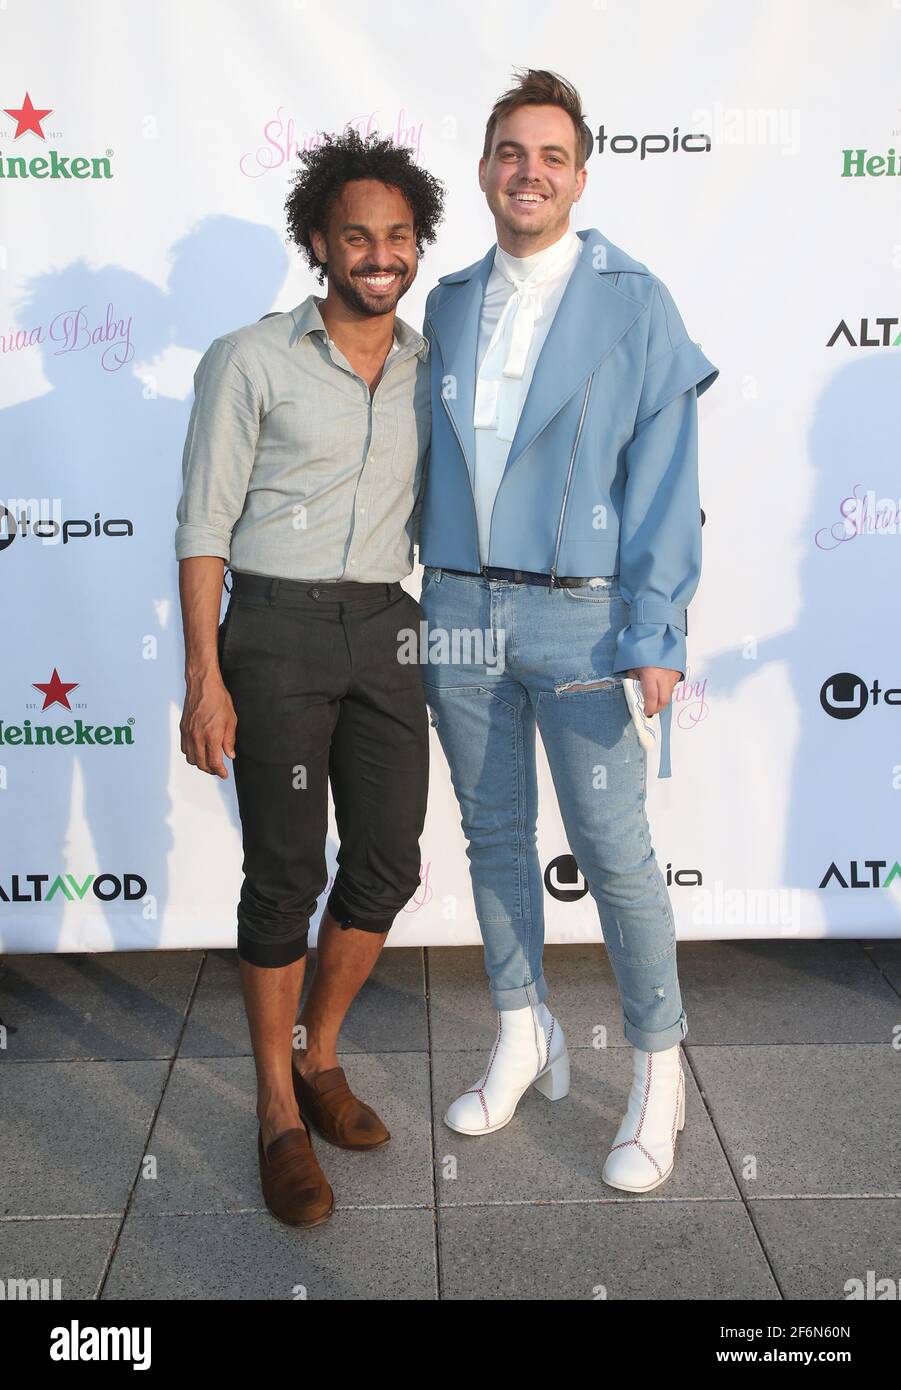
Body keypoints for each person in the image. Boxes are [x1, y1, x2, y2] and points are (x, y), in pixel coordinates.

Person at [418, 69, 718, 1191]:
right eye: (509, 151)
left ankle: (658, 1072)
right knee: (491, 836)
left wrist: (655, 625)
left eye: (549, 155)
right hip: (455, 607)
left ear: (580, 175)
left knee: (614, 856)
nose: (527, 171)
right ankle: (521, 1027)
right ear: (485, 167)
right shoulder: (445, 301)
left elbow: (663, 476)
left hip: (585, 620)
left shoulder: (633, 300)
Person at [175, 129, 444, 1227]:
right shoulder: (249, 358)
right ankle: (278, 1112)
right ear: (319, 245)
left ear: (416, 243)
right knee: (284, 874)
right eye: (356, 236)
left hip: (389, 627)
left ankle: (320, 1054)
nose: (378, 253)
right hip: (275, 632)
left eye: (396, 235)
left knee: (384, 861)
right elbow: (202, 523)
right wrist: (205, 674)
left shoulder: (435, 360)